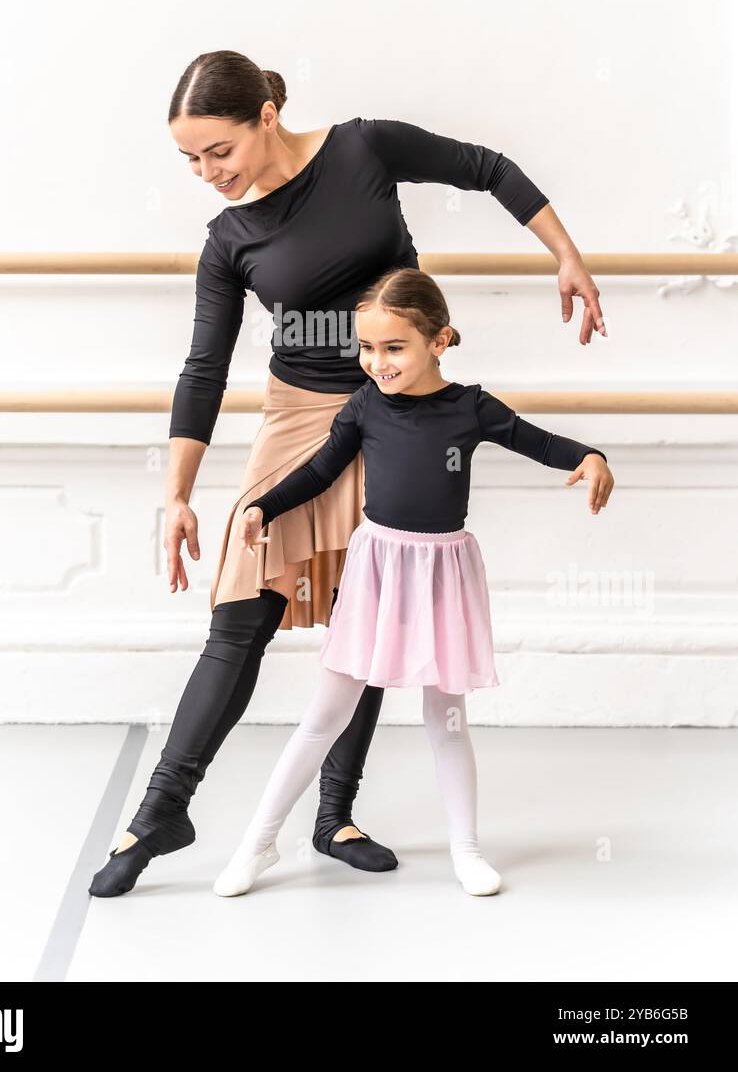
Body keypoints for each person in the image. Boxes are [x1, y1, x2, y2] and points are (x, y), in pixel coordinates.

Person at [89, 49, 607, 898]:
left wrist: (566, 256)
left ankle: (335, 814)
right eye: (189, 160)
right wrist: (177, 494)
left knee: (365, 622)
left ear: (264, 114)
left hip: (394, 413)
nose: (205, 173)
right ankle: (159, 812)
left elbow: (488, 169)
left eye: (216, 150)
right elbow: (203, 370)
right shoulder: (229, 239)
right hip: (298, 418)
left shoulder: (362, 149)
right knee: (239, 614)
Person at [212, 267, 614, 898]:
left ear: (440, 340)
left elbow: (536, 441)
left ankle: (466, 849)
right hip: (376, 566)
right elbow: (321, 471)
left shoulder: (470, 408)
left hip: (443, 570)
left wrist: (590, 456)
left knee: (446, 715)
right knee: (325, 713)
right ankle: (258, 843)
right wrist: (265, 504)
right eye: (367, 348)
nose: (377, 362)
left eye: (393, 347)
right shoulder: (365, 405)